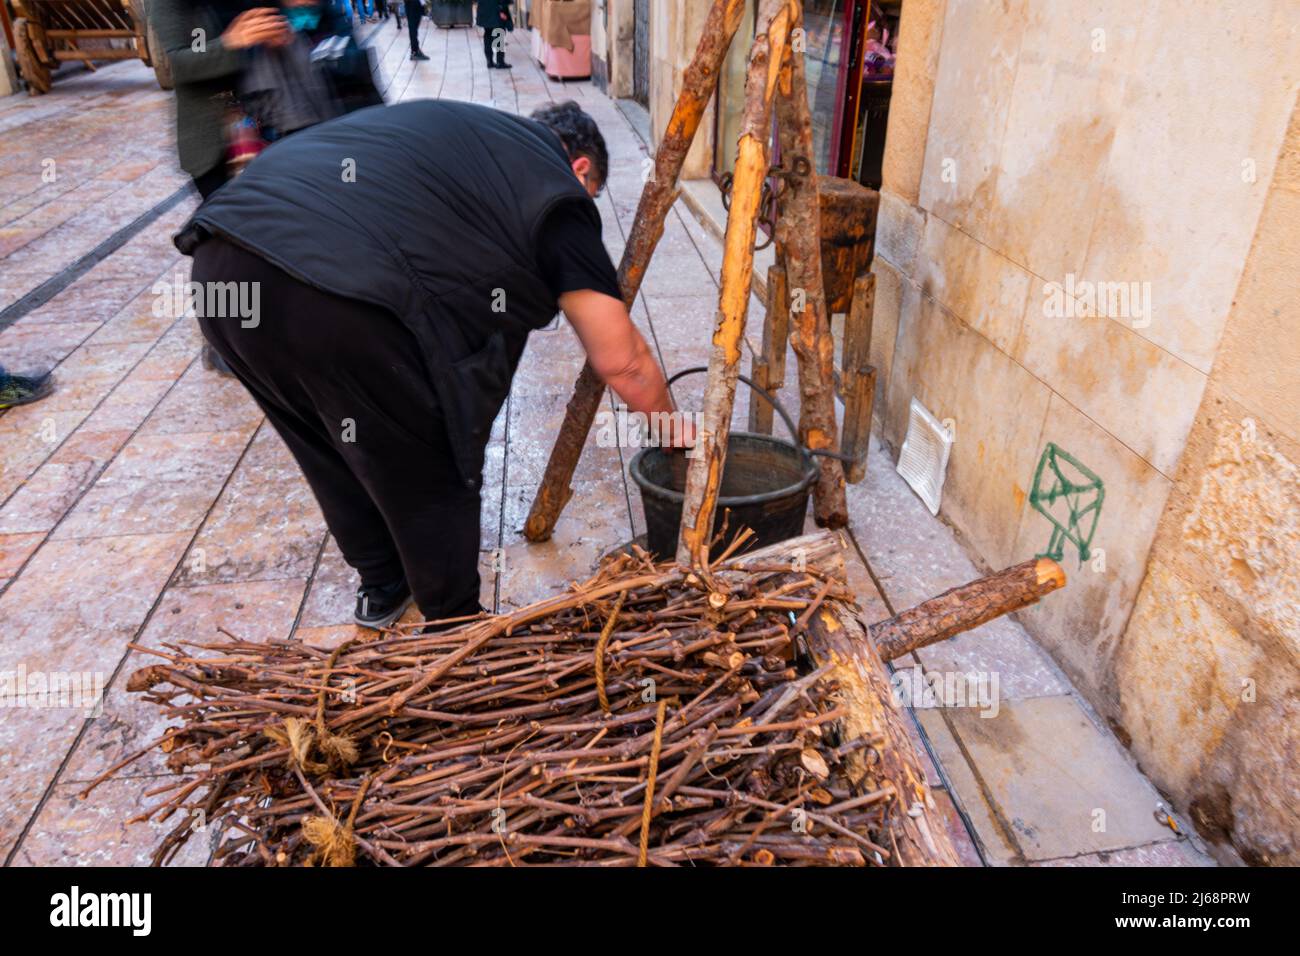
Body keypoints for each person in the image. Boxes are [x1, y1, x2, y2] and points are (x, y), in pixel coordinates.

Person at [174, 100, 683, 629]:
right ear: (580, 169)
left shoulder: (474, 135)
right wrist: (672, 431)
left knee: (326, 440)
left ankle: (383, 586)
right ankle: (453, 622)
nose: (587, 208)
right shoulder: (554, 189)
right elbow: (622, 361)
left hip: (222, 267)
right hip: (327, 288)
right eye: (592, 194)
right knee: (426, 446)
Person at [475, 0, 511, 69]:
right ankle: (500, 61)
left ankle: (490, 61)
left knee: (488, 34)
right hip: (496, 9)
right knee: (499, 32)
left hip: (484, 9)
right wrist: (502, 10)